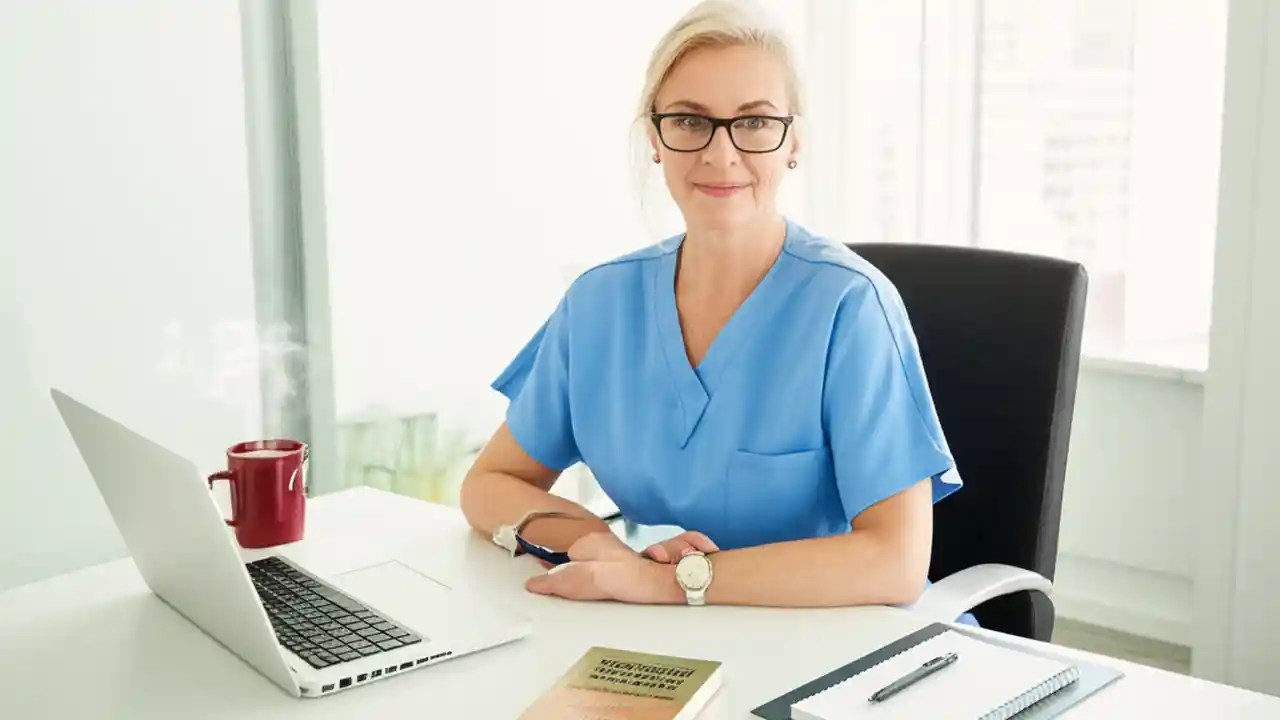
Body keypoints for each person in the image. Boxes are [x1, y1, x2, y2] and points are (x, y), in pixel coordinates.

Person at [459, 0, 962, 609]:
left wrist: (667, 584)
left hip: (839, 645)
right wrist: (599, 545)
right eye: (690, 121)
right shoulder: (599, 304)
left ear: (793, 141)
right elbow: (490, 484)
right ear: (655, 138)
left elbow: (895, 563)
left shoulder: (850, 307)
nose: (721, 155)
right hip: (664, 639)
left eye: (753, 123)